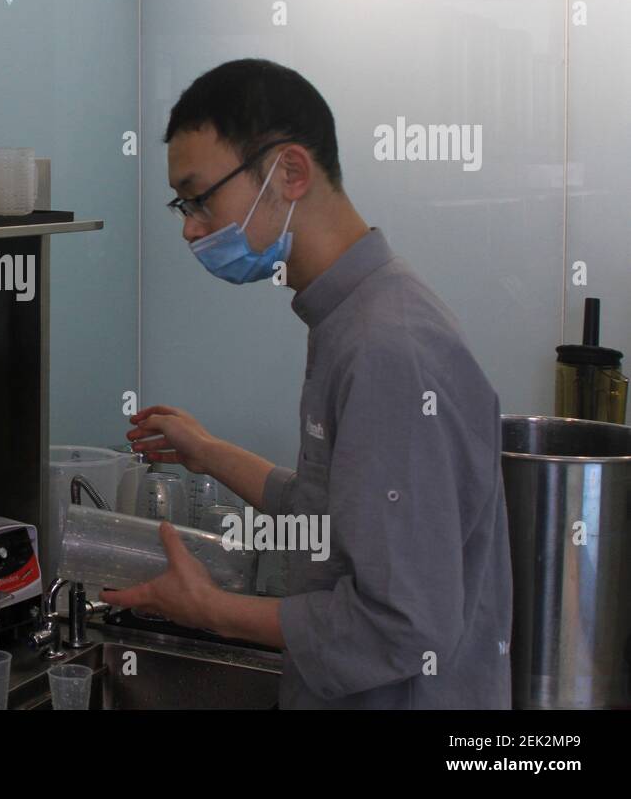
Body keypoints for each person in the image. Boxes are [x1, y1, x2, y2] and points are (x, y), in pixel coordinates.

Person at [106, 58, 513, 708]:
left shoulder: (387, 349)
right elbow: (337, 516)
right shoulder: (353, 317)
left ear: (290, 172)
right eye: (181, 205)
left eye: (200, 197)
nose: (190, 227)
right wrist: (208, 453)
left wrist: (209, 609)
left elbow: (399, 626)